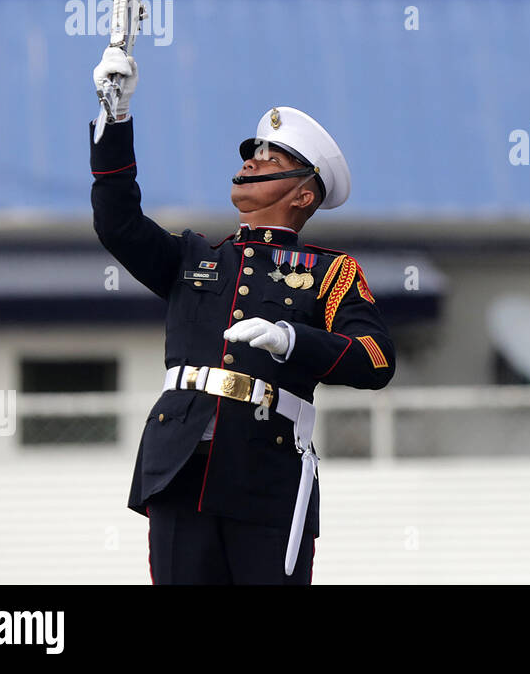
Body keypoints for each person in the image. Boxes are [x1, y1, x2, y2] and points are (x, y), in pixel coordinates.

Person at [89, 47, 395, 584]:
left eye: (271, 159)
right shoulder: (196, 258)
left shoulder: (329, 271)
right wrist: (115, 116)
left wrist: (291, 340)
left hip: (266, 473)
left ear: (304, 193)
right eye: (251, 153)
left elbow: (375, 359)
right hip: (180, 464)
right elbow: (117, 222)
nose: (250, 161)